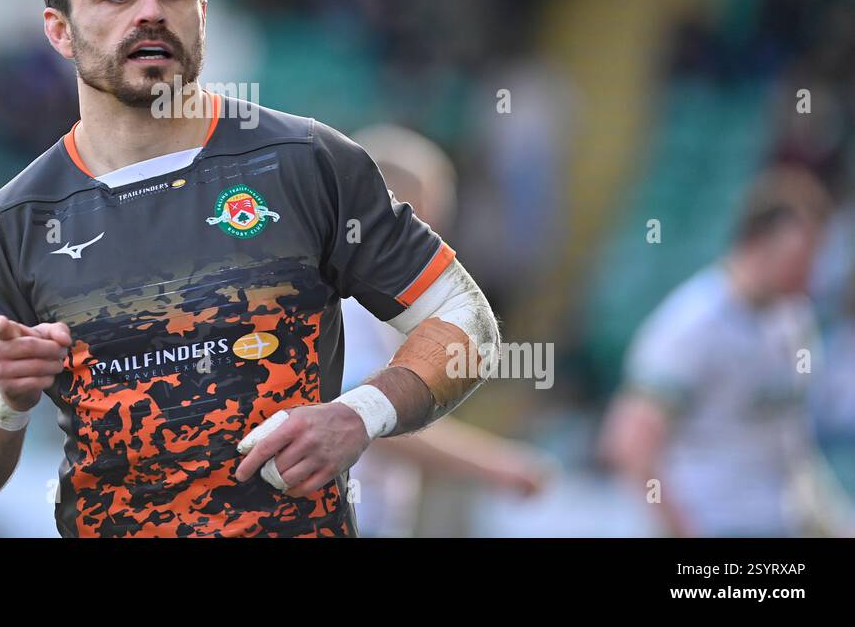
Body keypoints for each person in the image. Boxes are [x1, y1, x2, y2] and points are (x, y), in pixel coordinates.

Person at [0, 0, 500, 537]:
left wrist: (359, 415)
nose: (152, 12)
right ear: (60, 30)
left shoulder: (306, 165)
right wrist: (5, 403)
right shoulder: (14, 222)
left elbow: (466, 321)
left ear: (203, 10)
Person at [599, 166, 855, 537]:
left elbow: (790, 442)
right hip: (716, 524)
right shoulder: (690, 325)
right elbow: (628, 445)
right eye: (802, 256)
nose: (812, 271)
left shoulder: (794, 317)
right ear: (757, 243)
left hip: (780, 522)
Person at [341, 125, 554, 537]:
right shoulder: (351, 301)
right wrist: (499, 467)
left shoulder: (375, 298)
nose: (430, 238)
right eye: (419, 217)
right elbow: (366, 419)